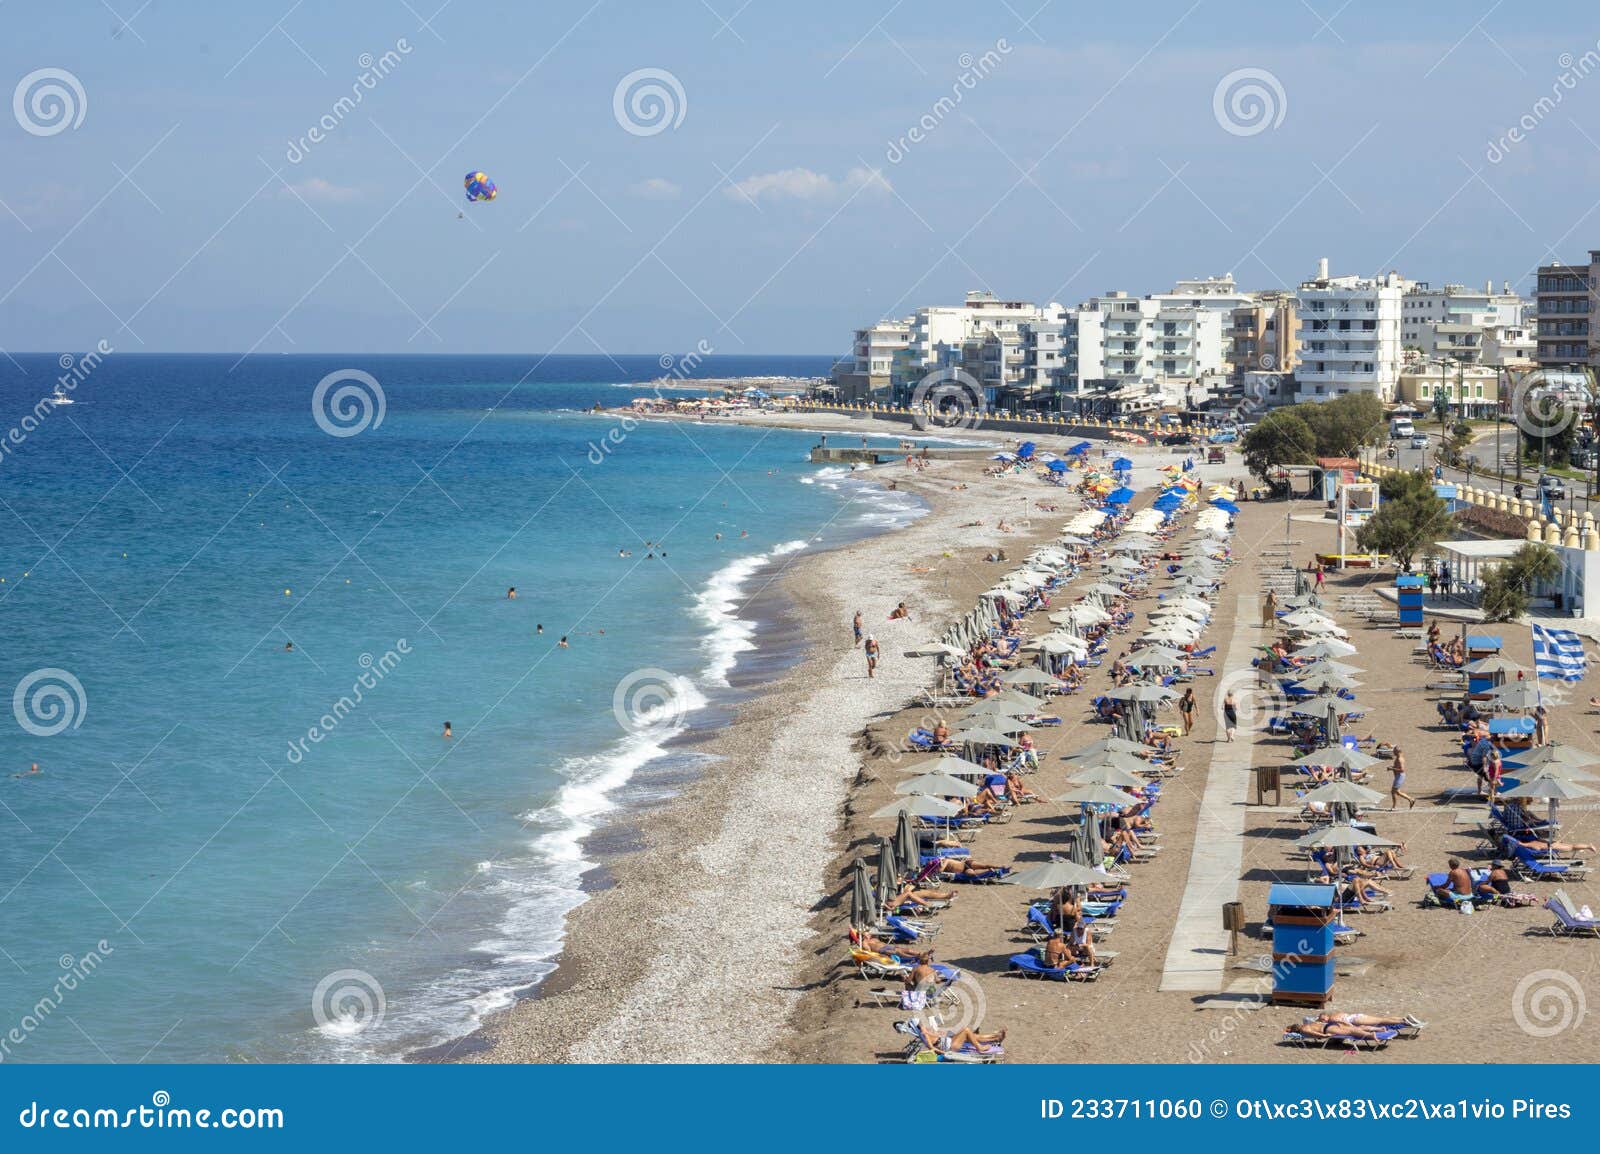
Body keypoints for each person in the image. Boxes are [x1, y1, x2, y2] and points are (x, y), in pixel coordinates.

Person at [910, 1019, 1006, 1055]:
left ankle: (995, 1038)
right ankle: (980, 1048)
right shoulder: (924, 1034)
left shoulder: (926, 1032)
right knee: (966, 1030)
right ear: (919, 1026)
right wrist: (945, 1054)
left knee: (970, 1035)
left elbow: (938, 1036)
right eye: (921, 1024)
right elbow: (932, 1048)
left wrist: (939, 1032)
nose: (923, 1024)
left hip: (950, 1041)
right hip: (950, 1048)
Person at [1389, 746, 1415, 810]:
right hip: (1398, 776)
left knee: (1393, 792)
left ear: (1397, 752)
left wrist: (1391, 768)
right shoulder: (1399, 757)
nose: (1393, 752)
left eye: (1394, 751)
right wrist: (1392, 767)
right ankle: (1411, 799)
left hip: (1400, 776)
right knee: (1397, 792)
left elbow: (1402, 769)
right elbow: (1398, 767)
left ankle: (1394, 807)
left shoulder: (1399, 759)